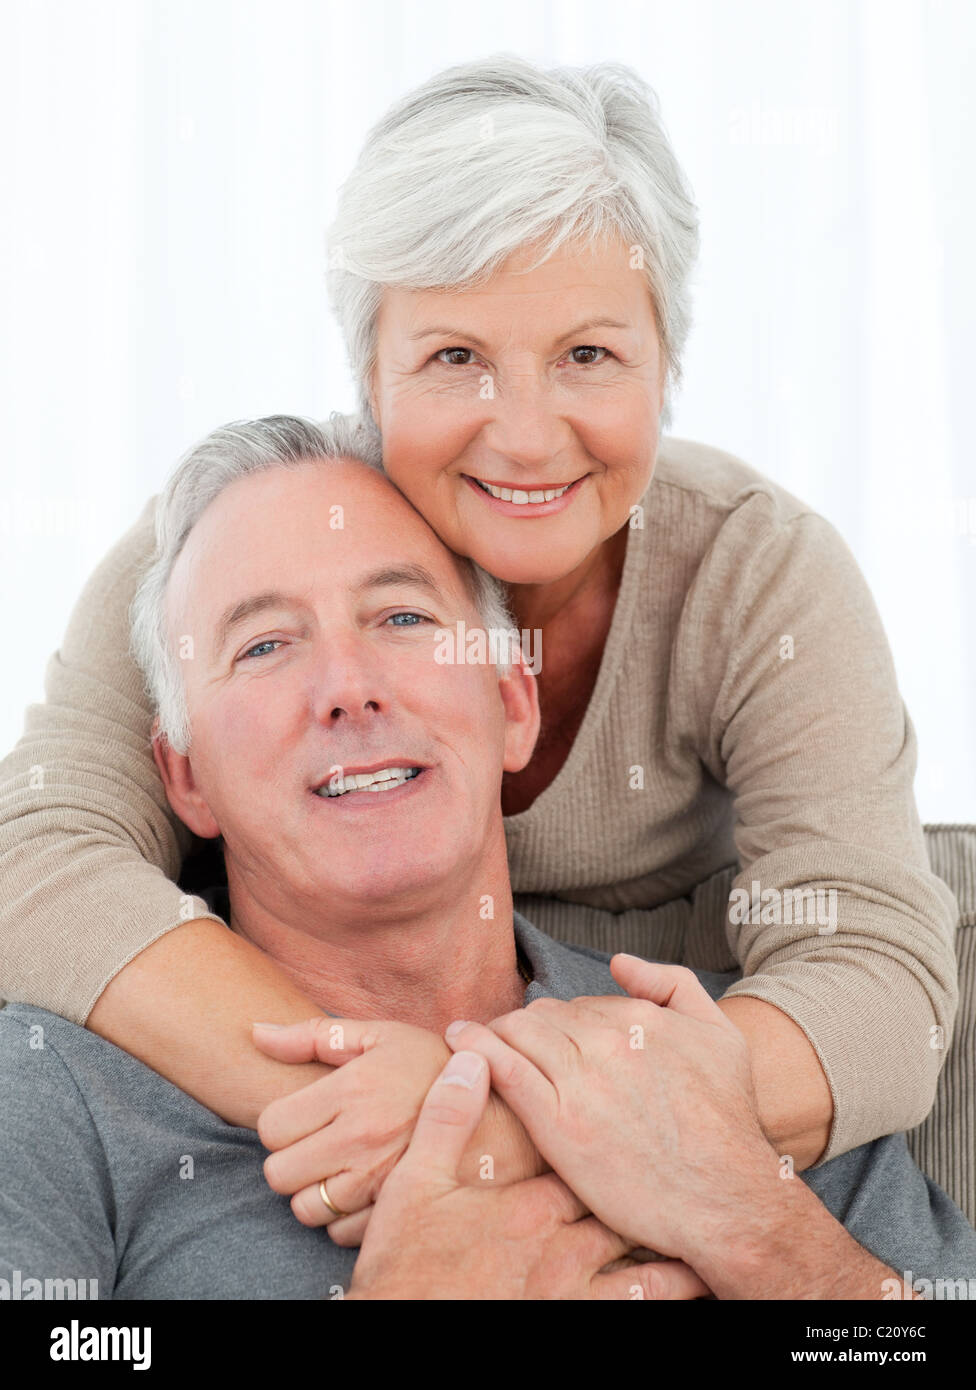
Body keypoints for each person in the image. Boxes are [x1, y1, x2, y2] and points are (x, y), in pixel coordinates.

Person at [0, 58, 959, 1198]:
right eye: (454, 357)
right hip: (312, 1035)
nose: (525, 437)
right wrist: (362, 1083)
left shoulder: (754, 572)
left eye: (588, 356)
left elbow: (875, 985)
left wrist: (481, 1125)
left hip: (627, 1040)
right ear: (370, 374)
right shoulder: (232, 548)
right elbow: (36, 859)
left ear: (669, 369)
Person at [1, 417, 972, 1301]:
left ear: (513, 704)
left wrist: (764, 1237)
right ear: (185, 780)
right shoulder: (60, 1100)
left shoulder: (714, 1061)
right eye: (263, 646)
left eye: (402, 618)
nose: (347, 687)